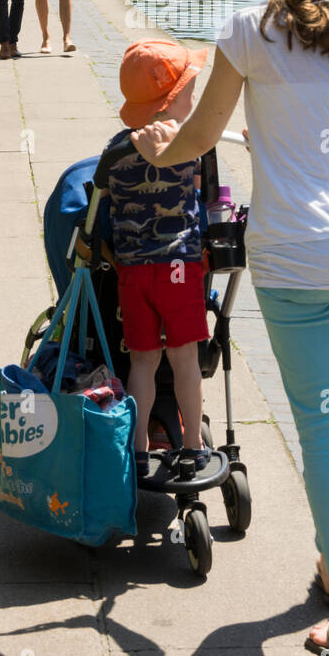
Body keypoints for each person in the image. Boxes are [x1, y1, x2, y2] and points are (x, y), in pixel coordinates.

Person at [130, 0, 329, 656]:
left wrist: (155, 150)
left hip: (300, 263)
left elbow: (195, 137)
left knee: (321, 434)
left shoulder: (249, 32)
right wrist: (268, 135)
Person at [105, 39, 211, 479]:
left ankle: (140, 450)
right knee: (185, 359)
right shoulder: (189, 145)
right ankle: (192, 445)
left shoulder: (116, 147)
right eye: (189, 90)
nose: (195, 98)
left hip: (133, 271)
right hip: (178, 268)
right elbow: (203, 192)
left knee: (143, 362)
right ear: (171, 99)